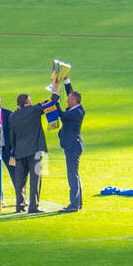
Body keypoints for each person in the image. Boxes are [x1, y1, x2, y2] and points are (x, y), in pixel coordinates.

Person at [9, 94, 49, 213]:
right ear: (27, 101)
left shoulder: (12, 116)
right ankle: (33, 206)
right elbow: (52, 102)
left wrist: (14, 151)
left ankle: (20, 206)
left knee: (20, 181)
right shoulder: (34, 110)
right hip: (35, 151)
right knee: (35, 179)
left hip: (19, 152)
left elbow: (12, 137)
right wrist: (55, 88)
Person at [54, 82, 85, 213]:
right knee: (74, 175)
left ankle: (73, 205)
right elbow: (70, 93)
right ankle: (77, 203)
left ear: (74, 101)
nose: (67, 99)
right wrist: (66, 81)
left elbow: (60, 113)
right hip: (73, 145)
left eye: (69, 99)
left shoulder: (76, 113)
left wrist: (54, 95)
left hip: (72, 147)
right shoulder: (77, 108)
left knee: (72, 176)